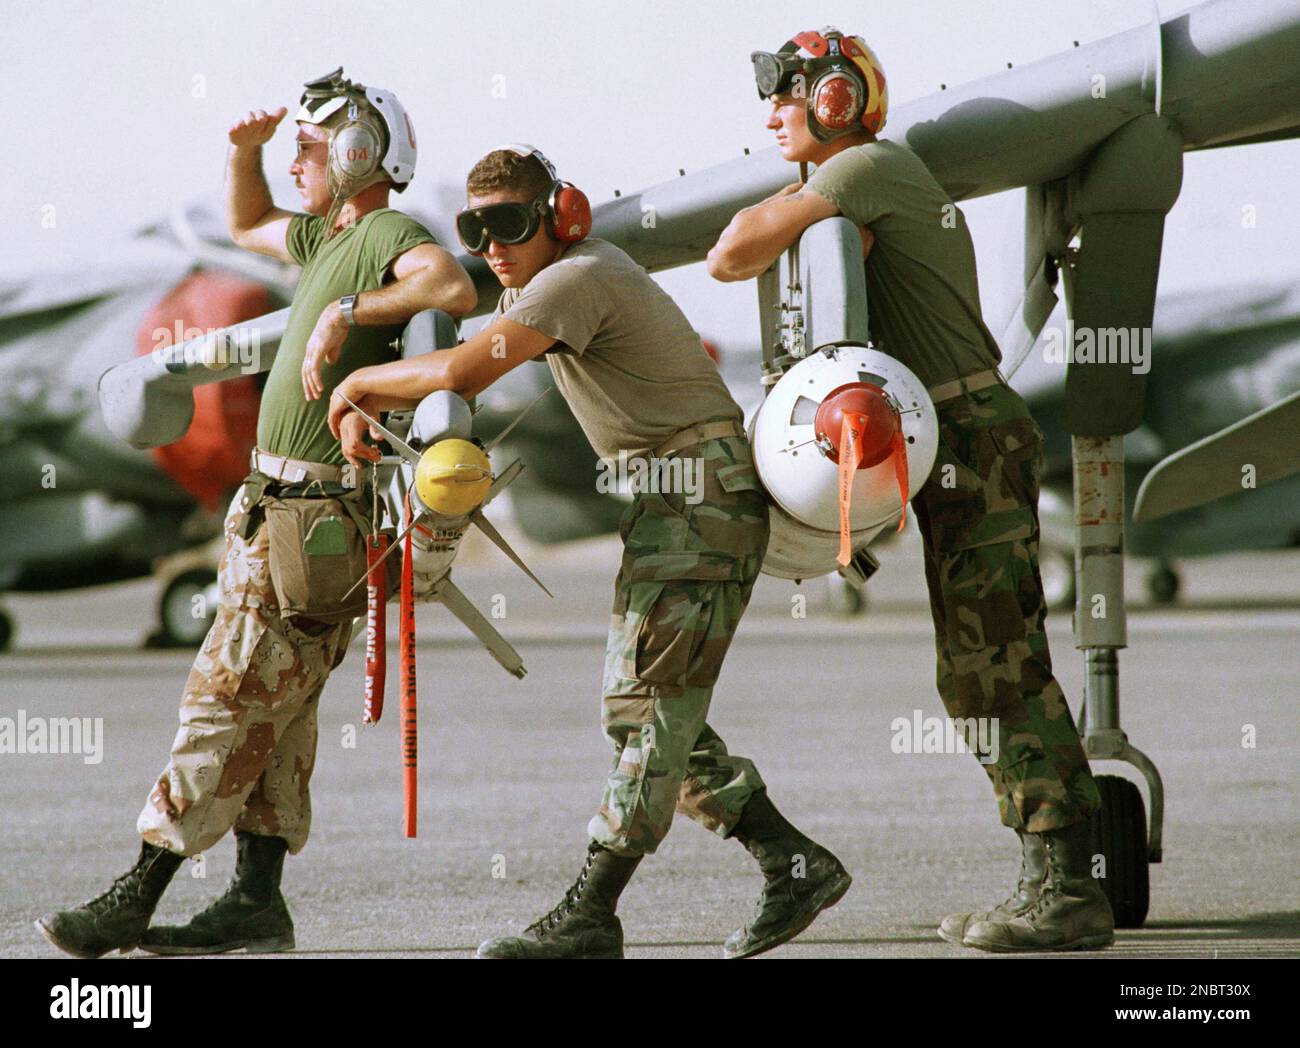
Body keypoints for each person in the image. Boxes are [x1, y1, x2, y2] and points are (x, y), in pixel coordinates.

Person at [323, 145, 851, 959]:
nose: (492, 244)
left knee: (652, 713)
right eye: (475, 228)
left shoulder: (577, 278)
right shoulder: (548, 284)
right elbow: (457, 359)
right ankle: (791, 861)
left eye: (509, 223)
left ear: (558, 217)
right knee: (636, 712)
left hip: (697, 500)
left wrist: (354, 387)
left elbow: (464, 369)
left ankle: (592, 910)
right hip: (670, 503)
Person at [36, 68, 476, 958]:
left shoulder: (392, 233)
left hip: (309, 516)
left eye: (308, 150)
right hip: (275, 512)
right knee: (281, 715)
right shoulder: (326, 238)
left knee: (224, 701)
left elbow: (449, 287)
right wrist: (243, 151)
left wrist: (347, 311)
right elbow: (245, 224)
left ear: (359, 152)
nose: (297, 163)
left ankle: (138, 890)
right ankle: (255, 901)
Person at [707, 28, 1113, 952]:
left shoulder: (862, 170)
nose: (774, 113)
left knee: (996, 663)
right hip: (958, 435)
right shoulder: (853, 180)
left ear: (838, 101)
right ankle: (1055, 874)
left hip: (968, 432)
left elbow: (731, 253)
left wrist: (797, 201)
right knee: (977, 665)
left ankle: (1066, 890)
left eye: (791, 94)